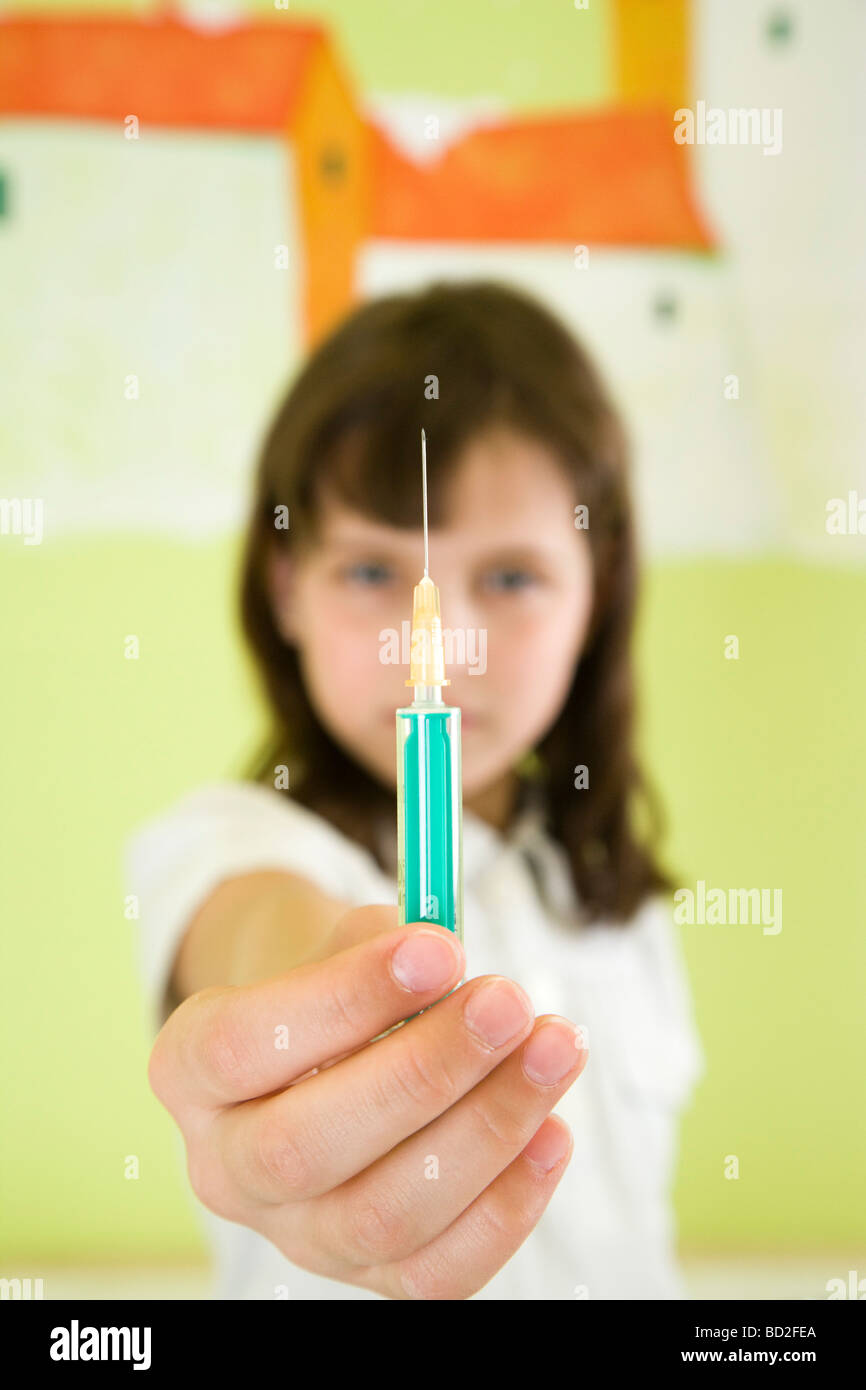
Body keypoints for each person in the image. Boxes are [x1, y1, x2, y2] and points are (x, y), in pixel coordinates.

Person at [126, 279, 705, 1300]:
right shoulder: (230, 842)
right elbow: (261, 929)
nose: (446, 641)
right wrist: (333, 982)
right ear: (283, 587)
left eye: (514, 577)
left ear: (595, 593)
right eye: (365, 573)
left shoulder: (606, 893)